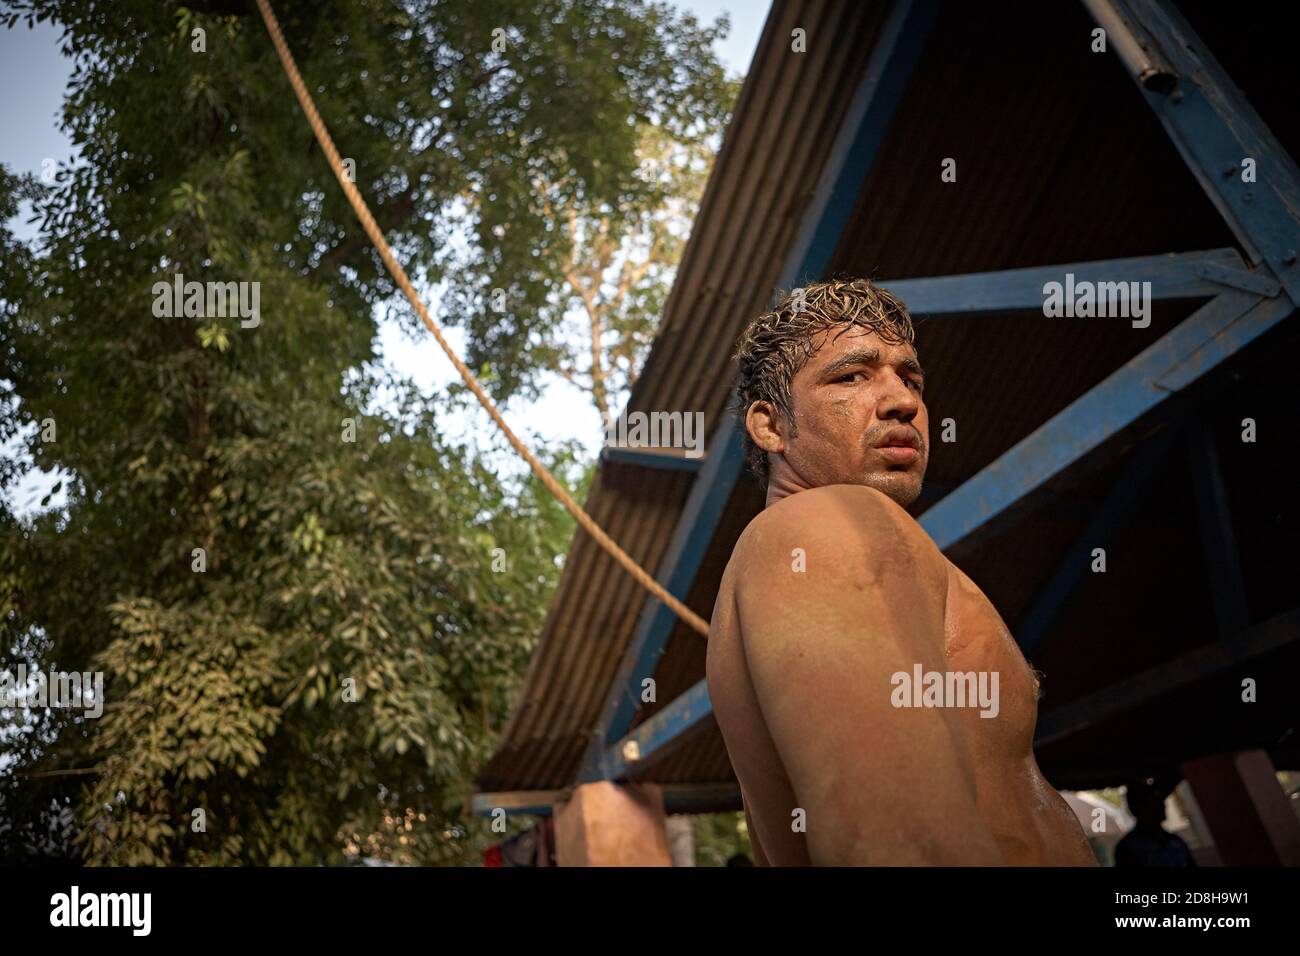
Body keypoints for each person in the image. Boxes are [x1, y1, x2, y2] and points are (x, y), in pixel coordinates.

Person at [706, 278, 1097, 866]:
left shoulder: (816, 547)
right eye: (851, 376)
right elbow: (900, 847)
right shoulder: (823, 522)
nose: (902, 401)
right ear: (771, 427)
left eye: (909, 378)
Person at [1115, 779, 1196, 867]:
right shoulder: (1129, 850)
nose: (1163, 805)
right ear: (1140, 808)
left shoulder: (1176, 842)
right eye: (1155, 801)